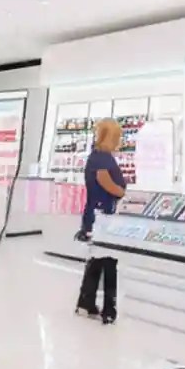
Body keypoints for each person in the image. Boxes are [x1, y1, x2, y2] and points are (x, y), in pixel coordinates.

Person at [75, 118, 126, 324]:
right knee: (109, 263)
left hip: (94, 216)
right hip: (103, 217)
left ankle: (85, 303)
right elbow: (106, 182)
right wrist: (121, 191)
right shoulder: (104, 159)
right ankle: (108, 309)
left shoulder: (95, 157)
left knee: (96, 261)